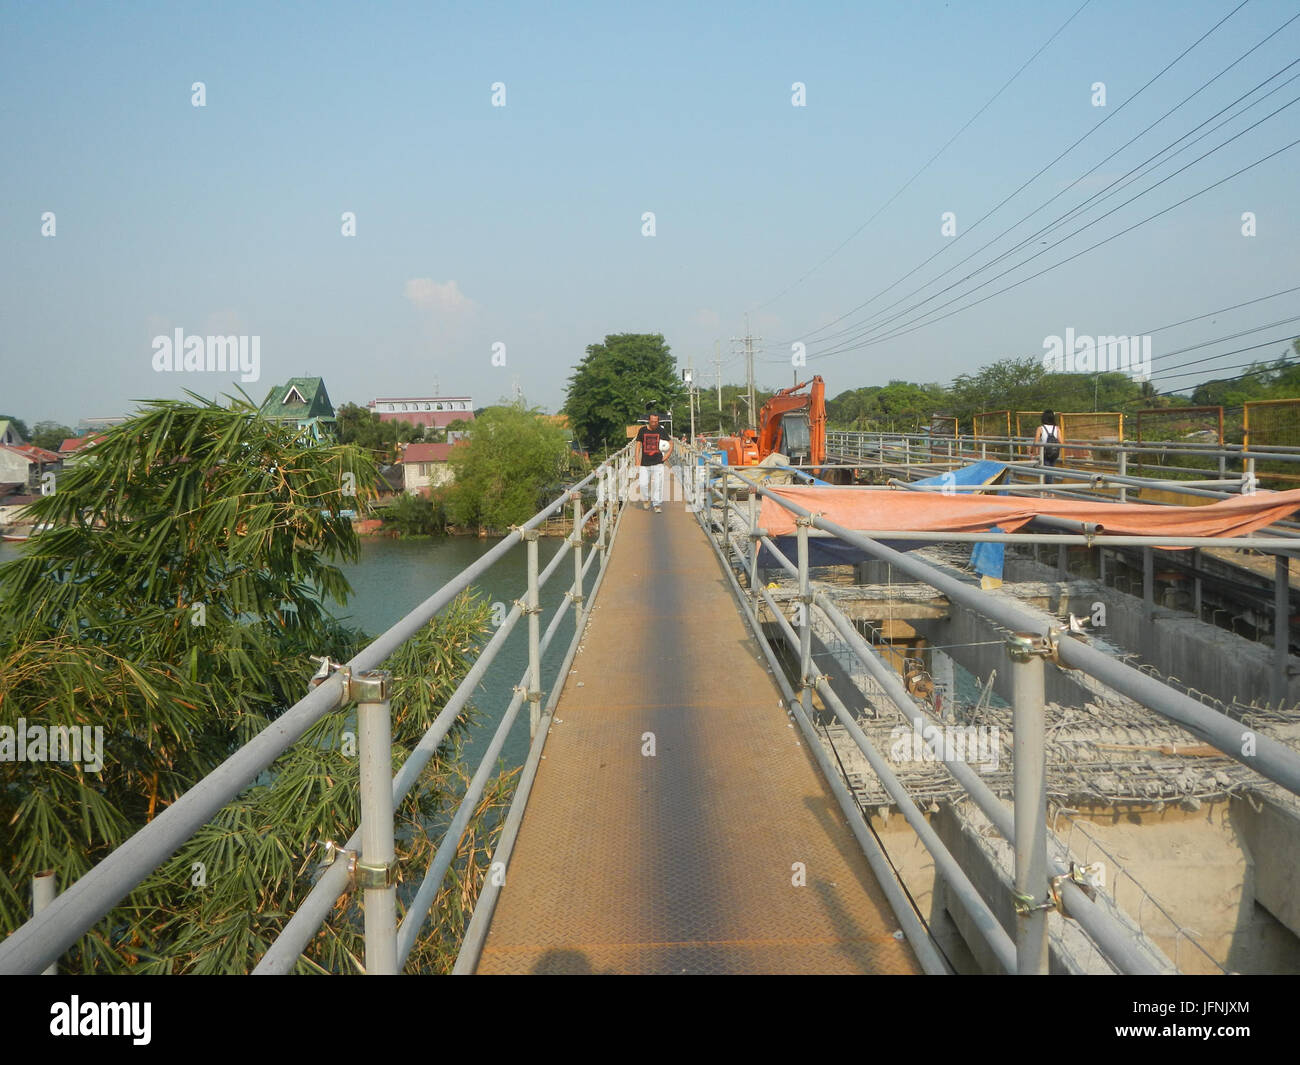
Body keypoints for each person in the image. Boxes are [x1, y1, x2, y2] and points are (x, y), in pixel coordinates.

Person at [634, 412, 672, 512]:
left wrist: (667, 456)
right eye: (652, 421)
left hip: (658, 462)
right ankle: (646, 499)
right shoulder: (642, 430)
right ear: (649, 421)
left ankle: (657, 504)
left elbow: (671, 443)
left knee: (658, 484)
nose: (654, 423)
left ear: (658, 421)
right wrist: (637, 459)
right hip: (644, 463)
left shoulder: (661, 430)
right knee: (643, 484)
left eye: (656, 421)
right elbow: (638, 444)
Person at [1035, 410, 1062, 483]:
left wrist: (1035, 452)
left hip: (1045, 453)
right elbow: (1061, 441)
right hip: (1054, 452)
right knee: (1051, 470)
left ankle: (1049, 491)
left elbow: (1036, 442)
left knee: (1047, 471)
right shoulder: (1057, 428)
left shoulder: (1040, 428)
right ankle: (1050, 491)